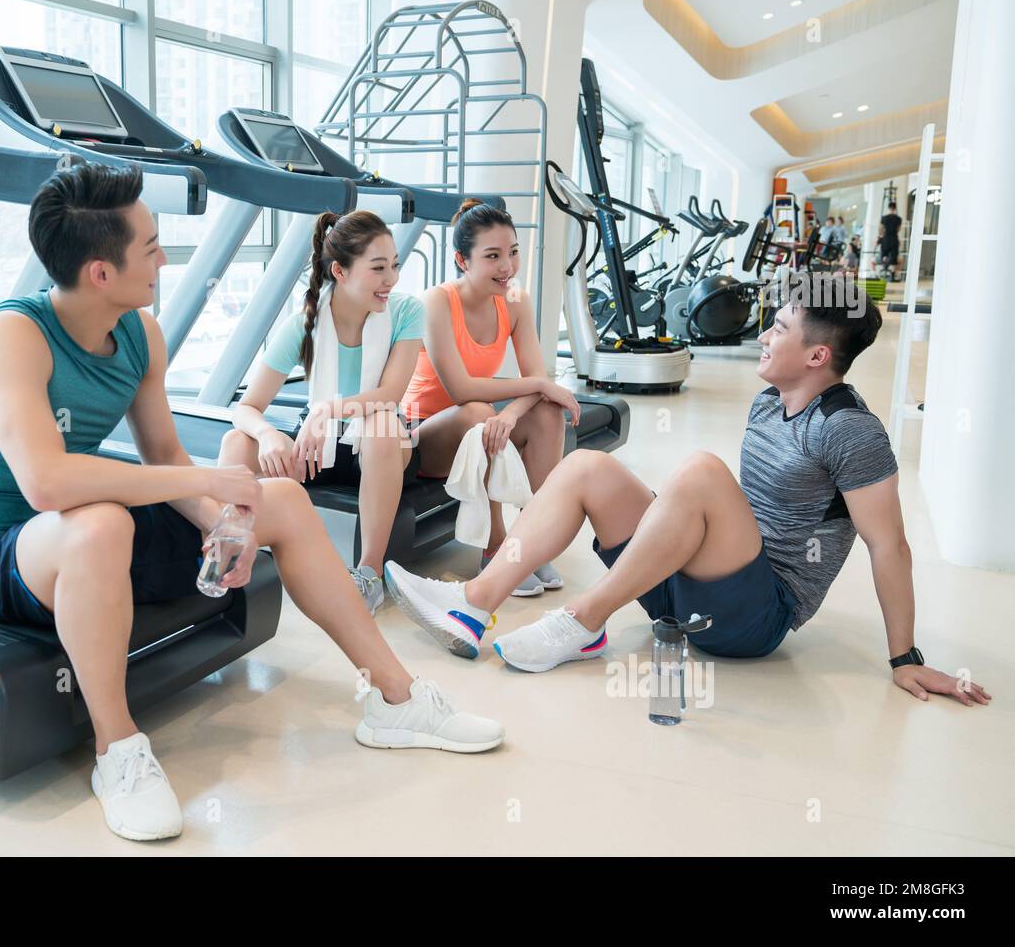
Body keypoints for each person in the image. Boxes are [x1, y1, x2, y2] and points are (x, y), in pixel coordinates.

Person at [0, 163, 504, 842]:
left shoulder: (139, 332)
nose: (161, 257)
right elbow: (47, 485)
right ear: (101, 271)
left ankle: (396, 698)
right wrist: (208, 486)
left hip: (97, 525)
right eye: (150, 247)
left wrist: (224, 526)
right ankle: (118, 750)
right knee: (98, 524)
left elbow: (163, 458)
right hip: (7, 551)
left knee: (282, 504)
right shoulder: (12, 335)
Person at [384, 274, 992, 713]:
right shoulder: (769, 400)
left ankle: (582, 620)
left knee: (700, 469)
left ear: (816, 354)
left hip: (754, 617)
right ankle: (473, 604)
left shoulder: (850, 431)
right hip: (693, 586)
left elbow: (890, 546)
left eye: (778, 329)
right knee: (589, 467)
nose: (762, 335)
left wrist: (904, 658)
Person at [219, 211, 422, 614]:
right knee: (236, 441)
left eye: (395, 266)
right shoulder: (305, 323)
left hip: (382, 445)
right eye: (378, 268)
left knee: (381, 423)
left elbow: (389, 394)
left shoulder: (406, 312)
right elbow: (246, 408)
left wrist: (328, 410)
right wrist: (267, 434)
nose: (392, 279)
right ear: (340, 272)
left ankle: (369, 574)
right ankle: (226, 554)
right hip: (320, 449)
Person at [401, 199, 581, 599]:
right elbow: (461, 390)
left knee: (547, 413)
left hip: (475, 422)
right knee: (481, 413)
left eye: (513, 252)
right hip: (422, 438)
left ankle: (531, 543)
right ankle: (496, 550)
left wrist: (515, 412)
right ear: (462, 261)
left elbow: (536, 381)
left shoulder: (515, 298)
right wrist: (537, 386)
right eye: (493, 256)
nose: (507, 267)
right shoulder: (437, 302)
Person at [879, 202, 902, 277]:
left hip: (886, 238)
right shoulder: (898, 219)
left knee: (884, 254)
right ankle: (892, 275)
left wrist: (882, 235)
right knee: (894, 257)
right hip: (894, 238)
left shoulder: (884, 218)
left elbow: (881, 229)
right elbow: (898, 229)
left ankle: (885, 269)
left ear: (889, 208)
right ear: (895, 208)